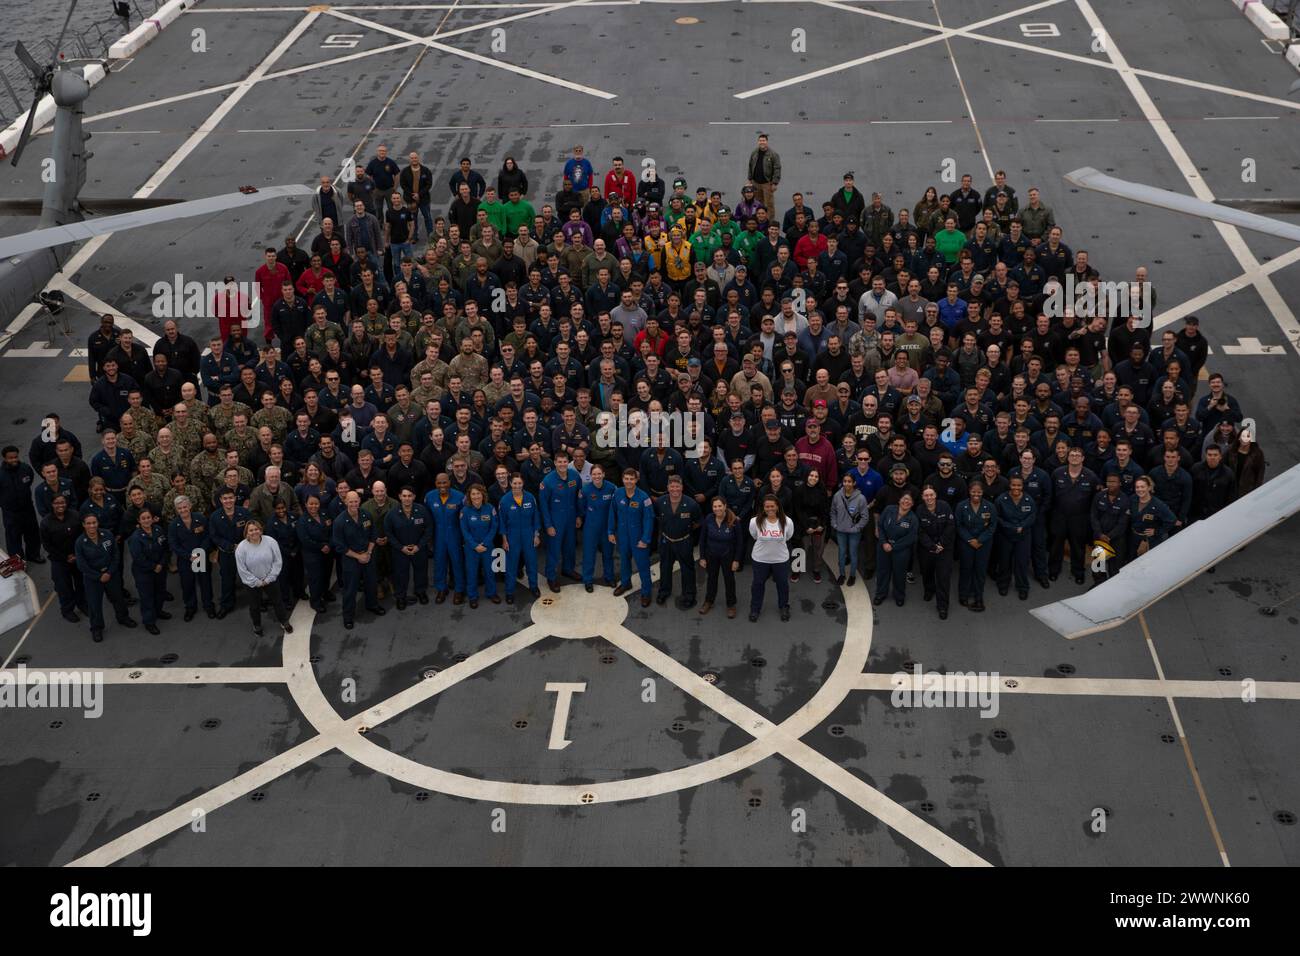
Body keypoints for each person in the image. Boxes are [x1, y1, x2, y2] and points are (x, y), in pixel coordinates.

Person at [75, 513, 136, 642]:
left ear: (98, 523)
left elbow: (115, 554)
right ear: (84, 525)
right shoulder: (80, 542)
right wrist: (98, 576)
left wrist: (109, 572)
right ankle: (96, 628)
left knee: (118, 597)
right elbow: (82, 565)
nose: (92, 525)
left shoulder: (107, 535)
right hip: (93, 578)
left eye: (94, 522)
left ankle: (123, 618)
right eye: (89, 523)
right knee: (94, 604)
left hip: (111, 574)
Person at [332, 490, 386, 629]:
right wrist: (358, 556)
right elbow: (339, 546)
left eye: (356, 501)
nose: (354, 504)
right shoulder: (339, 521)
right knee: (350, 589)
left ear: (359, 501)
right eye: (350, 501)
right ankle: (348, 616)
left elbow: (373, 535)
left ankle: (372, 605)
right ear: (345, 502)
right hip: (351, 559)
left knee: (371, 583)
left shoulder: (366, 515)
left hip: (368, 555)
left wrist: (368, 553)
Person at [235, 519, 293, 637]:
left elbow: (277, 561)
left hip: (270, 579)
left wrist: (269, 578)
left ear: (261, 530)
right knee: (254, 605)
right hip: (252, 583)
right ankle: (257, 625)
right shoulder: (241, 548)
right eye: (251, 530)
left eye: (256, 529)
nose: (254, 532)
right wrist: (256, 582)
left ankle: (284, 621)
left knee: (278, 602)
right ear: (246, 533)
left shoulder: (271, 542)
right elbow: (242, 569)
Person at [39, 494, 87, 624]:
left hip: (77, 556)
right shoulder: (46, 523)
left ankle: (83, 604)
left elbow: (83, 534)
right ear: (52, 505)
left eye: (62, 503)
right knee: (63, 587)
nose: (60, 505)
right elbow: (47, 545)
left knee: (80, 582)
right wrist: (65, 557)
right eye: (57, 503)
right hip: (59, 560)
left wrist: (76, 554)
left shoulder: (75, 516)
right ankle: (67, 610)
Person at [655, 475, 700, 608]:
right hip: (666, 541)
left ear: (682, 487)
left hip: (684, 541)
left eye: (677, 486)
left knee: (687, 570)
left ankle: (689, 595)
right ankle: (664, 592)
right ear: (668, 487)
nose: (675, 489)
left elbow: (697, 522)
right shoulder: (660, 502)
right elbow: (657, 518)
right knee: (665, 567)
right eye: (672, 486)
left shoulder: (691, 504)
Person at [612, 467, 654, 607]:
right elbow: (612, 513)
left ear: (636, 480)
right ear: (622, 479)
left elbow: (649, 519)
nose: (629, 481)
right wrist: (610, 532)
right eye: (626, 479)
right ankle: (625, 583)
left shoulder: (644, 498)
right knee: (624, 561)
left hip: (638, 537)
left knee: (643, 565)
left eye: (632, 479)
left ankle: (646, 592)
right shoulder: (617, 493)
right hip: (623, 535)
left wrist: (645, 539)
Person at [748, 494, 795, 622]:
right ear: (763, 508)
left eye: (772, 506)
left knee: (782, 585)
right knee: (758, 584)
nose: (770, 509)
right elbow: (754, 535)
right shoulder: (754, 521)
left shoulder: (787, 521)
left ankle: (784, 607)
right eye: (767, 506)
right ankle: (755, 609)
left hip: (780, 560)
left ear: (778, 507)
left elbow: (788, 536)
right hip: (760, 559)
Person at [539, 450, 581, 590]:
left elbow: (578, 498)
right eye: (559, 462)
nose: (562, 464)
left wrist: (578, 515)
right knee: (554, 549)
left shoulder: (575, 476)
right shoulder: (548, 481)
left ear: (568, 462)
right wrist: (548, 525)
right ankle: (551, 576)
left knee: (570, 546)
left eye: (564, 462)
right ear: (555, 463)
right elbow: (543, 506)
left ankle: (568, 569)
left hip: (571, 517)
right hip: (555, 520)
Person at [385, 486, 432, 609]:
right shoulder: (392, 514)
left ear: (414, 497)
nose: (407, 498)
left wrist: (419, 546)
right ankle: (400, 597)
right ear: (400, 497)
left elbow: (428, 529)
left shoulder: (422, 510)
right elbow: (389, 533)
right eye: (404, 496)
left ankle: (420, 591)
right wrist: (401, 548)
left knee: (421, 571)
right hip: (400, 551)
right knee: (400, 574)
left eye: (409, 496)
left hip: (419, 549)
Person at [127, 507, 171, 634]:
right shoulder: (135, 538)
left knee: (160, 591)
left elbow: (165, 549)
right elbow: (138, 557)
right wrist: (154, 566)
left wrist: (161, 564)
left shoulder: (158, 530)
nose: (146, 520)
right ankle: (149, 622)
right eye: (143, 518)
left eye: (148, 518)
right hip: (144, 572)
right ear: (139, 521)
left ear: (152, 519)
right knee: (147, 597)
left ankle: (158, 611)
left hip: (160, 568)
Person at [499, 473, 541, 604]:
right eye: (515, 483)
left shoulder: (530, 498)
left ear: (523, 484)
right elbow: (502, 522)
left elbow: (536, 518)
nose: (517, 486)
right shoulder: (505, 501)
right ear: (510, 484)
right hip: (512, 535)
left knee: (531, 562)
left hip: (529, 534)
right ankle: (509, 591)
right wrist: (504, 540)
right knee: (511, 565)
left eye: (520, 483)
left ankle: (533, 586)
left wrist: (536, 535)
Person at [425, 472, 466, 604]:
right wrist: (429, 539)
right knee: (439, 563)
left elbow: (464, 519)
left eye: (445, 482)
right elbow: (427, 519)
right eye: (439, 483)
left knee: (457, 562)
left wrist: (464, 538)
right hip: (438, 536)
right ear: (435, 484)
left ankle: (459, 590)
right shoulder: (429, 497)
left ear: (449, 482)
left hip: (455, 535)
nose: (442, 485)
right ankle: (441, 588)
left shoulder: (460, 497)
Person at [210, 489, 252, 618]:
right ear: (221, 500)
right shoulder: (215, 516)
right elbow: (214, 536)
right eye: (225, 498)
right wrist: (231, 546)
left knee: (251, 578)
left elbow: (251, 529)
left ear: (234, 498)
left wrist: (244, 544)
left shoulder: (244, 513)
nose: (228, 501)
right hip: (226, 554)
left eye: (230, 498)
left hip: (246, 552)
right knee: (227, 580)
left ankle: (257, 602)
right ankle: (226, 605)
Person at [699, 496, 743, 617]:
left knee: (729, 580)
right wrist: (702, 557)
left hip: (728, 556)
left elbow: (740, 543)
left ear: (725, 506)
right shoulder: (708, 519)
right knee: (711, 578)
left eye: (719, 506)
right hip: (711, 555)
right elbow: (702, 539)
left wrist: (736, 560)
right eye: (714, 506)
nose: (717, 508)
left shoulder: (734, 520)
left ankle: (731, 605)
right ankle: (709, 601)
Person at [956, 480, 996, 612]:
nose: (976, 494)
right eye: (974, 491)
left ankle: (979, 597)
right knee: (966, 569)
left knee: (980, 571)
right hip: (966, 543)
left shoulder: (990, 506)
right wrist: (970, 539)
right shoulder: (961, 506)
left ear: (982, 492)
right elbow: (959, 525)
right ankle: (963, 595)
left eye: (979, 492)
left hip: (983, 544)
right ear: (969, 492)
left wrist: (979, 540)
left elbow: (992, 526)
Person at [993, 475, 1036, 600]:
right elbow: (997, 517)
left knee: (1022, 562)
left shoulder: (1029, 499)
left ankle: (1022, 587)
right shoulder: (1001, 499)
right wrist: (1010, 527)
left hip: (1023, 536)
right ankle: (1003, 585)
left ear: (1022, 486)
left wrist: (1022, 526)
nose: (1016, 487)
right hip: (1005, 535)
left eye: (1019, 485)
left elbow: (1032, 515)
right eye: (1013, 485)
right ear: (1009, 486)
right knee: (1004, 562)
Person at [916, 486, 955, 619]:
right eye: (926, 495)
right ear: (922, 497)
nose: (929, 498)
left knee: (943, 577)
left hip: (944, 547)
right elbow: (920, 531)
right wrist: (932, 546)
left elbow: (950, 526)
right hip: (927, 548)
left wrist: (941, 544)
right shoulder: (920, 510)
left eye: (931, 495)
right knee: (927, 571)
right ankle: (929, 590)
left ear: (935, 495)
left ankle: (942, 606)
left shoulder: (945, 506)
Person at [874, 491, 918, 607]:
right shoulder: (889, 509)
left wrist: (893, 546)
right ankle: (880, 594)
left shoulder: (913, 519)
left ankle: (899, 596)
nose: (906, 501)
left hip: (901, 551)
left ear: (912, 503)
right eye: (904, 498)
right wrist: (884, 542)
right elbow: (880, 525)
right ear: (899, 500)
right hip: (883, 547)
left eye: (909, 500)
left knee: (899, 574)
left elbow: (911, 538)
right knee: (882, 572)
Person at [1, 445, 43, 563]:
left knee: (32, 534)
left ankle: (33, 555)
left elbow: (29, 481)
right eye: (10, 458)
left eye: (15, 457)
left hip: (27, 509)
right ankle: (18, 562)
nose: (14, 460)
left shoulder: (26, 469)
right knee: (13, 538)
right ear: (4, 458)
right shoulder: (1, 475)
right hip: (10, 513)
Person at [459, 483, 499, 608]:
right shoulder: (465, 511)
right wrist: (474, 545)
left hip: (487, 546)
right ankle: (473, 596)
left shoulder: (490, 508)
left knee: (489, 571)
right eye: (473, 494)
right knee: (471, 572)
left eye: (478, 493)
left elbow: (494, 527)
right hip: (472, 548)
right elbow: (464, 530)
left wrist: (486, 543)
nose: (476, 496)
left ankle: (491, 593)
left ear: (483, 495)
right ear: (469, 496)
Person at [580, 464, 617, 590]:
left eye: (599, 474)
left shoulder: (611, 488)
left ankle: (609, 577)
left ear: (603, 474)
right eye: (594, 474)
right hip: (591, 527)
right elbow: (581, 507)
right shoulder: (585, 490)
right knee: (589, 554)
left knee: (608, 554)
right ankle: (588, 580)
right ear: (591, 476)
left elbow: (615, 508)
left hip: (607, 528)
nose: (597, 476)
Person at [296, 494, 335, 612]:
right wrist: (321, 546)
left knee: (326, 574)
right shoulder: (302, 521)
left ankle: (325, 592)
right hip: (312, 554)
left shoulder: (325, 514)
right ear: (306, 504)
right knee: (315, 578)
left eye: (316, 503)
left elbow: (332, 531)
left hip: (328, 551)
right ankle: (316, 601)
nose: (314, 506)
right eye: (311, 503)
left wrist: (329, 544)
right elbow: (305, 540)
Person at [830, 472, 869, 586]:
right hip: (840, 531)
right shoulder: (837, 496)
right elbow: (833, 511)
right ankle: (842, 574)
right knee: (841, 553)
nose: (847, 483)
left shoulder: (861, 498)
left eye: (849, 481)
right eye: (845, 481)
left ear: (854, 483)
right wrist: (835, 524)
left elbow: (865, 517)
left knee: (853, 553)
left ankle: (852, 575)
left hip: (854, 532)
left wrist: (857, 528)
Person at [794, 467, 830, 583]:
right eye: (811, 475)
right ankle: (797, 570)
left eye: (816, 476)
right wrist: (806, 527)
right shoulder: (799, 490)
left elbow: (825, 509)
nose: (813, 478)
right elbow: (798, 510)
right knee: (801, 547)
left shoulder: (822, 490)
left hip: (818, 523)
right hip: (803, 524)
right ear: (807, 476)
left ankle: (816, 570)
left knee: (818, 548)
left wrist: (822, 525)